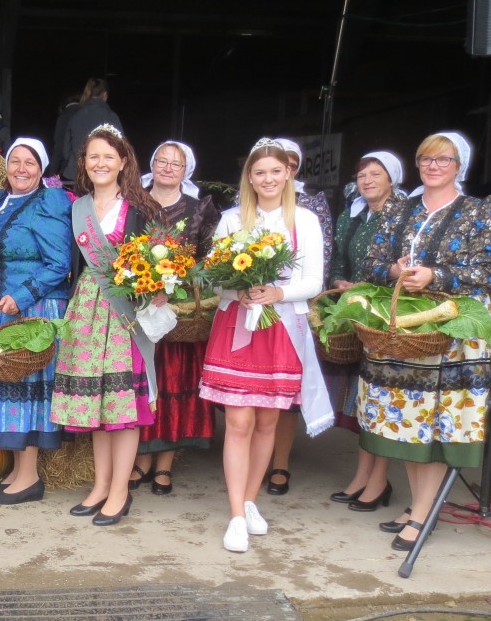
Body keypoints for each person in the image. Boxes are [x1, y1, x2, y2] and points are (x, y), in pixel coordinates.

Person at [363, 132, 491, 552]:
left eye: (443, 159)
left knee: (437, 420)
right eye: (425, 158)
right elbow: (370, 262)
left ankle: (422, 512)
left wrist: (435, 276)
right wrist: (393, 269)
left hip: (455, 331)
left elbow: (489, 270)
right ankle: (419, 506)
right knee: (408, 418)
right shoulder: (400, 210)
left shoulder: (478, 212)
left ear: (460, 165)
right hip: (408, 328)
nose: (433, 165)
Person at [198, 139, 331, 553]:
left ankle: (251, 499)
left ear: (288, 172)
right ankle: (236, 514)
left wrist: (278, 292)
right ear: (249, 178)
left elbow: (314, 281)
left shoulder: (304, 220)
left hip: (280, 328)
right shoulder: (231, 220)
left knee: (269, 424)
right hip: (237, 326)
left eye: (275, 171)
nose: (268, 179)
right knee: (238, 423)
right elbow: (214, 275)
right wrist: (236, 290)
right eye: (260, 173)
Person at [48, 125, 161, 526]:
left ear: (124, 162)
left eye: (108, 157)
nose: (100, 163)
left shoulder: (140, 209)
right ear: (84, 163)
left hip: (123, 314)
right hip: (85, 311)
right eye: (93, 157)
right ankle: (99, 485)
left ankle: (120, 490)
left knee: (122, 405)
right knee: (96, 404)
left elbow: (158, 264)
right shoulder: (76, 207)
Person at [0, 137, 74, 504]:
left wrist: (23, 296)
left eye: (30, 162)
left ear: (41, 168)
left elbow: (59, 264)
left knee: (25, 386)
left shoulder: (47, 203)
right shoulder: (0, 202)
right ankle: (17, 469)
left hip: (29, 310)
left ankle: (29, 477)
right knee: (4, 384)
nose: (21, 169)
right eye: (15, 161)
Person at [131, 141, 218, 496]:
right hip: (139, 304)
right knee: (144, 383)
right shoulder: (135, 201)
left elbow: (212, 260)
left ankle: (164, 462)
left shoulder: (200, 208)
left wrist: (179, 282)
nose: (168, 168)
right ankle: (141, 458)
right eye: (161, 161)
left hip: (181, 313)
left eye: (176, 164)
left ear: (187, 170)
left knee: (172, 386)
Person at [325, 151, 405, 514]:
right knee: (363, 398)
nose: (368, 180)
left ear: (393, 179)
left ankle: (379, 481)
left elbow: (402, 267)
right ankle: (362, 475)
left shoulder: (404, 215)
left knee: (381, 396)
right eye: (362, 174)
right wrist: (339, 281)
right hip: (355, 310)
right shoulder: (350, 216)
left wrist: (367, 283)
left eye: (376, 174)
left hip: (385, 314)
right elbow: (339, 258)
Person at [264, 137, 335, 497]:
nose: (276, 173)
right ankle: (252, 462)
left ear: (293, 168)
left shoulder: (309, 209)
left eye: (285, 165)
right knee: (254, 398)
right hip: (252, 312)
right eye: (267, 167)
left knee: (285, 397)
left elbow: (315, 269)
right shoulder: (245, 210)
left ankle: (280, 462)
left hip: (289, 311)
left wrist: (279, 291)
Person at [57, 79, 122, 185]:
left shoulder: (75, 117)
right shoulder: (112, 117)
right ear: (105, 95)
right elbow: (121, 150)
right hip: (101, 177)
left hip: (74, 177)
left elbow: (66, 153)